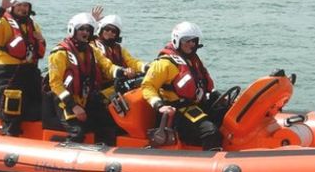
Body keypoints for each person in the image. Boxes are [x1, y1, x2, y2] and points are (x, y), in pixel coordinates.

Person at [47, 13, 131, 145]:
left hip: (85, 99)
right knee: (77, 132)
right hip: (65, 102)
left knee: (107, 123)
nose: (85, 32)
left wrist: (122, 71)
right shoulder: (59, 53)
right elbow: (55, 84)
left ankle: (105, 155)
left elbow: (106, 65)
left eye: (88, 30)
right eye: (82, 29)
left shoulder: (91, 50)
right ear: (73, 30)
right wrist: (73, 106)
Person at [141, 21, 222, 150]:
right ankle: (209, 163)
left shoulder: (193, 60)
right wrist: (159, 105)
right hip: (176, 112)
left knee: (224, 111)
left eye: (194, 41)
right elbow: (147, 86)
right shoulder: (164, 63)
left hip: (195, 104)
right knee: (211, 132)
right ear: (177, 40)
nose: (191, 44)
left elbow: (205, 85)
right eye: (187, 41)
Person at [0, 0, 46, 136]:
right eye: (19, 5)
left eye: (26, 6)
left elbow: (39, 48)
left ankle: (33, 129)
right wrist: (2, 8)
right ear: (12, 6)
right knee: (11, 100)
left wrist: (40, 40)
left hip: (29, 68)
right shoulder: (3, 22)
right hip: (8, 70)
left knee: (40, 96)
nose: (23, 9)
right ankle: (9, 131)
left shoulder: (33, 25)